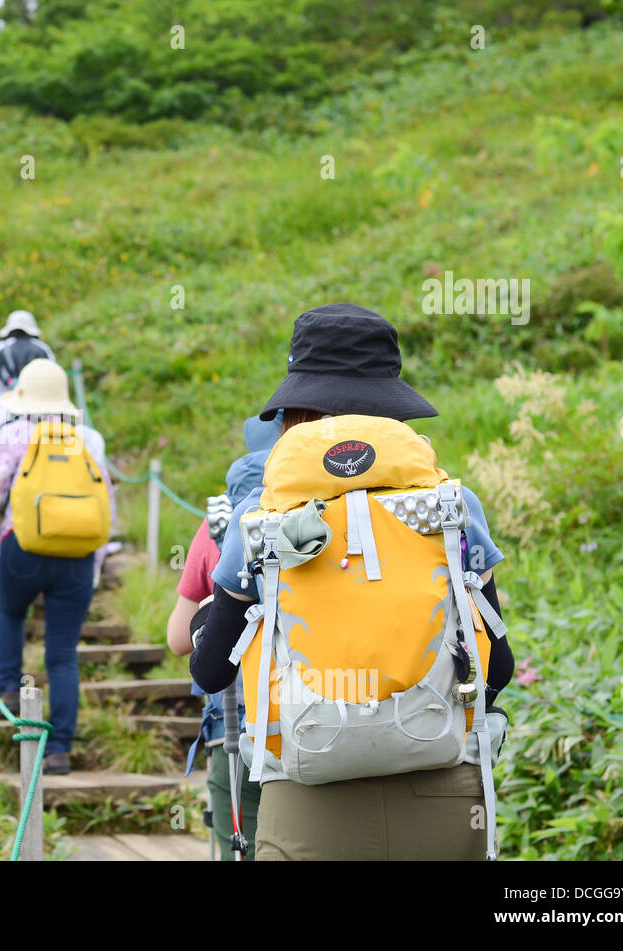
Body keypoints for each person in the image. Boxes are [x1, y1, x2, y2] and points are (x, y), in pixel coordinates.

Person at [189, 302, 516, 861]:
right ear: (393, 407)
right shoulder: (451, 508)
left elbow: (212, 669)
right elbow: (498, 667)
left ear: (294, 411)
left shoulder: (261, 517)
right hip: (444, 800)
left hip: (310, 808)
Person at [0, 359, 115, 776]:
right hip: (77, 557)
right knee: (62, 654)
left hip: (22, 548)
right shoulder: (89, 438)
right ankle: (60, 750)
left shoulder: (14, 435)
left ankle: (10, 692)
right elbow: (105, 504)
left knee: (9, 611)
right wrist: (97, 561)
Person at [165, 412, 281, 861]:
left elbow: (178, 638)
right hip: (317, 719)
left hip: (232, 725)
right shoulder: (329, 503)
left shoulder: (220, 522)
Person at [0, 310, 56, 428]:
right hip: (38, 412)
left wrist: (8, 382)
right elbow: (53, 379)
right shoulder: (42, 349)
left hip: (6, 413)